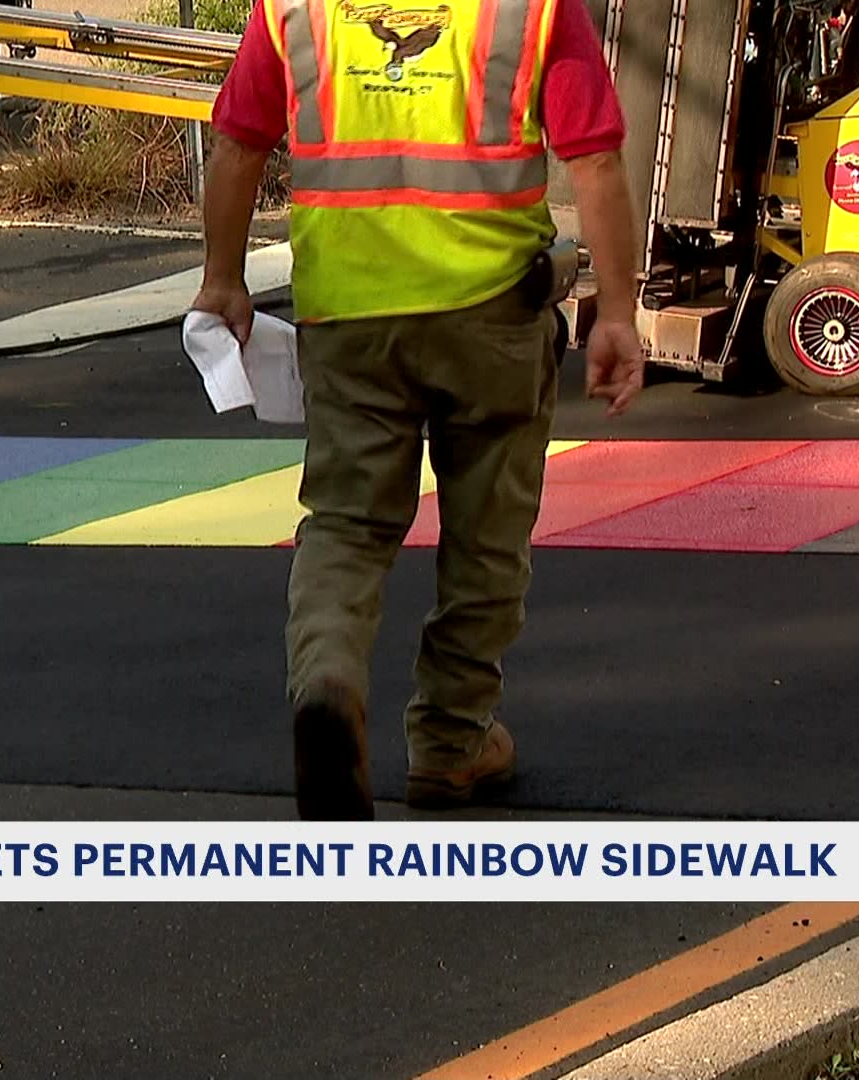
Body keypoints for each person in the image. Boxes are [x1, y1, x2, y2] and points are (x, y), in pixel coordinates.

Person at [190, 0, 647, 820]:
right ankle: (450, 743)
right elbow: (597, 160)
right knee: (487, 539)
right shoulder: (532, 8)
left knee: (346, 526)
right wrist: (616, 310)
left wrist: (223, 279)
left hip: (350, 318)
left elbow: (238, 142)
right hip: (493, 319)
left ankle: (328, 682)